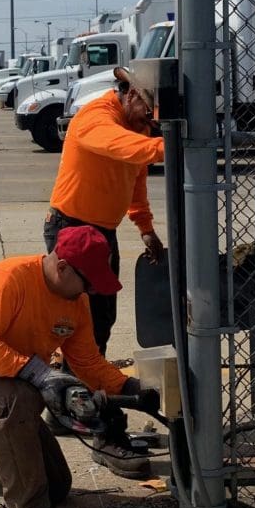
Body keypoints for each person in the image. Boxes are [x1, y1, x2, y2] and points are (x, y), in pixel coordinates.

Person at [0, 225, 157, 508]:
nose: (91, 292)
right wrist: (39, 374)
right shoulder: (11, 277)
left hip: (7, 394)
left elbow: (88, 363)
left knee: (56, 487)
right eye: (88, 283)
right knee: (23, 398)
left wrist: (132, 388)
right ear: (63, 267)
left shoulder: (74, 301)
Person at [44, 66, 165, 356]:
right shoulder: (95, 117)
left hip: (103, 232)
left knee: (102, 315)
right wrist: (173, 147)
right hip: (71, 227)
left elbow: (136, 182)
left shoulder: (137, 129)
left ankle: (90, 375)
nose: (149, 123)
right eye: (148, 113)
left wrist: (145, 228)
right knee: (81, 314)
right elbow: (121, 146)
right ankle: (76, 383)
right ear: (132, 94)